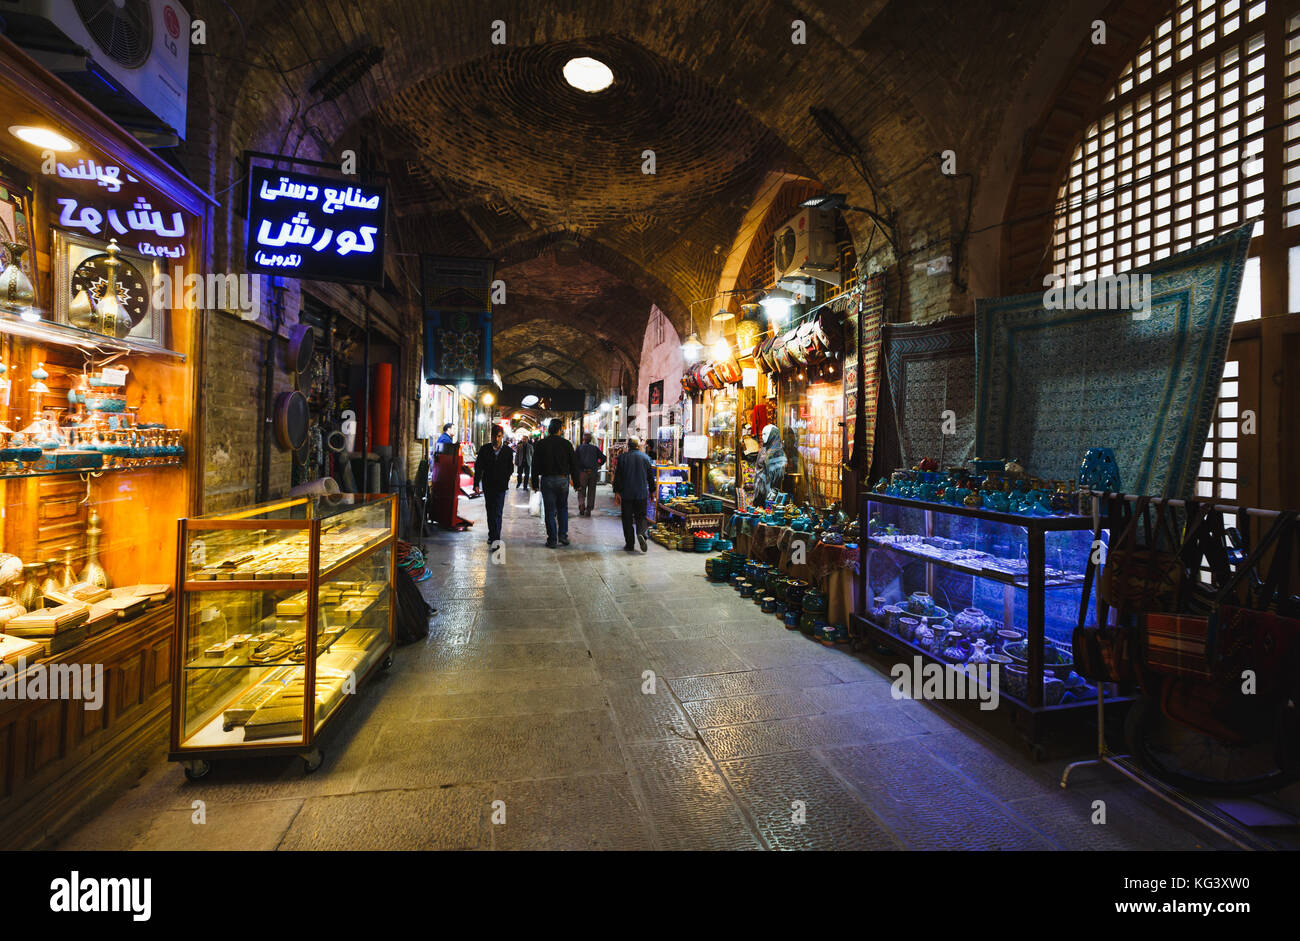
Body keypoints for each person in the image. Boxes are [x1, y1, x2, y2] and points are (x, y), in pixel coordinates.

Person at [530, 419, 580, 548]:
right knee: (562, 508)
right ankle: (562, 535)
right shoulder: (566, 444)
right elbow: (574, 464)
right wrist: (577, 482)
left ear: (549, 430)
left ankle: (552, 539)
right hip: (563, 480)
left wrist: (534, 483)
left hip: (547, 480)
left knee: (549, 510)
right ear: (559, 430)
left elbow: (534, 465)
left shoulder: (541, 444)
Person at [472, 424, 514, 545]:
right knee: (490, 511)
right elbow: (478, 467)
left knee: (498, 512)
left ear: (502, 436)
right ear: (491, 436)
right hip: (488, 485)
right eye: (494, 436)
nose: (496, 439)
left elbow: (510, 468)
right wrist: (476, 483)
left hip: (501, 486)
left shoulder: (507, 451)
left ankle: (496, 538)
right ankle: (492, 534)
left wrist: (505, 477)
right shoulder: (485, 449)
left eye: (499, 436)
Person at [613, 436, 654, 553]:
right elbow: (650, 477)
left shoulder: (622, 458)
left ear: (628, 446)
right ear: (638, 445)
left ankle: (630, 544)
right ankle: (641, 533)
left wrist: (617, 492)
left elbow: (618, 477)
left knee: (627, 519)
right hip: (641, 493)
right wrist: (652, 491)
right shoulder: (646, 458)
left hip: (627, 494)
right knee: (641, 516)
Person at [575, 432, 607, 517]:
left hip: (582, 473)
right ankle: (589, 509)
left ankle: (581, 505)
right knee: (591, 491)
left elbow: (574, 460)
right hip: (593, 472)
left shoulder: (579, 448)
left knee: (581, 490)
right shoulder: (595, 448)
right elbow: (604, 458)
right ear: (590, 440)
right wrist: (598, 464)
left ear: (583, 439)